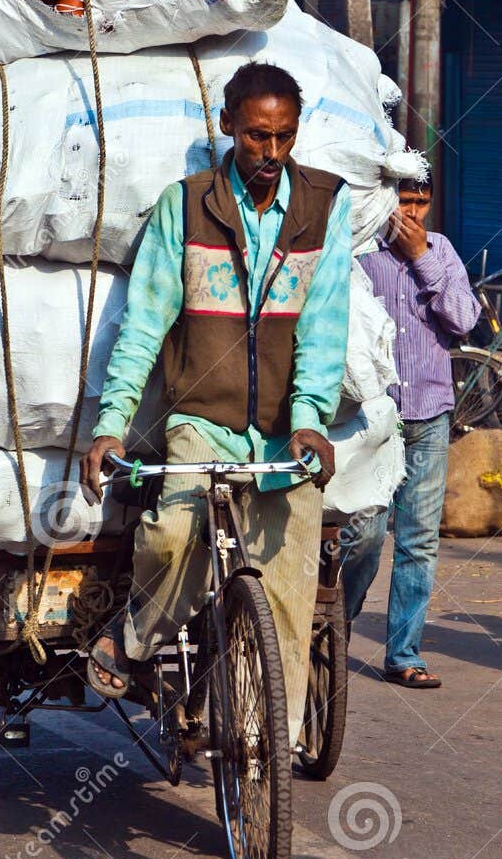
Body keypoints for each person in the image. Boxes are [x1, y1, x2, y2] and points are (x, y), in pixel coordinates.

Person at [81, 61, 353, 746]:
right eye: (256, 136)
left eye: (283, 138)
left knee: (291, 590)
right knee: (175, 535)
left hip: (281, 437)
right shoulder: (188, 203)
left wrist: (310, 423)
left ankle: (270, 748)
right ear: (228, 125)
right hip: (202, 422)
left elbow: (324, 326)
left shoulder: (325, 205)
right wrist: (109, 425)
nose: (269, 153)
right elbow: (143, 321)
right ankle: (137, 637)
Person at [339, 175, 480, 689]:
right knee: (364, 535)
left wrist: (423, 257)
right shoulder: (359, 253)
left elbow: (464, 320)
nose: (414, 211)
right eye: (405, 200)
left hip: (428, 417)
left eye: (422, 201)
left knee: (418, 541)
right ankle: (336, 629)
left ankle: (404, 653)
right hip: (371, 422)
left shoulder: (441, 251)